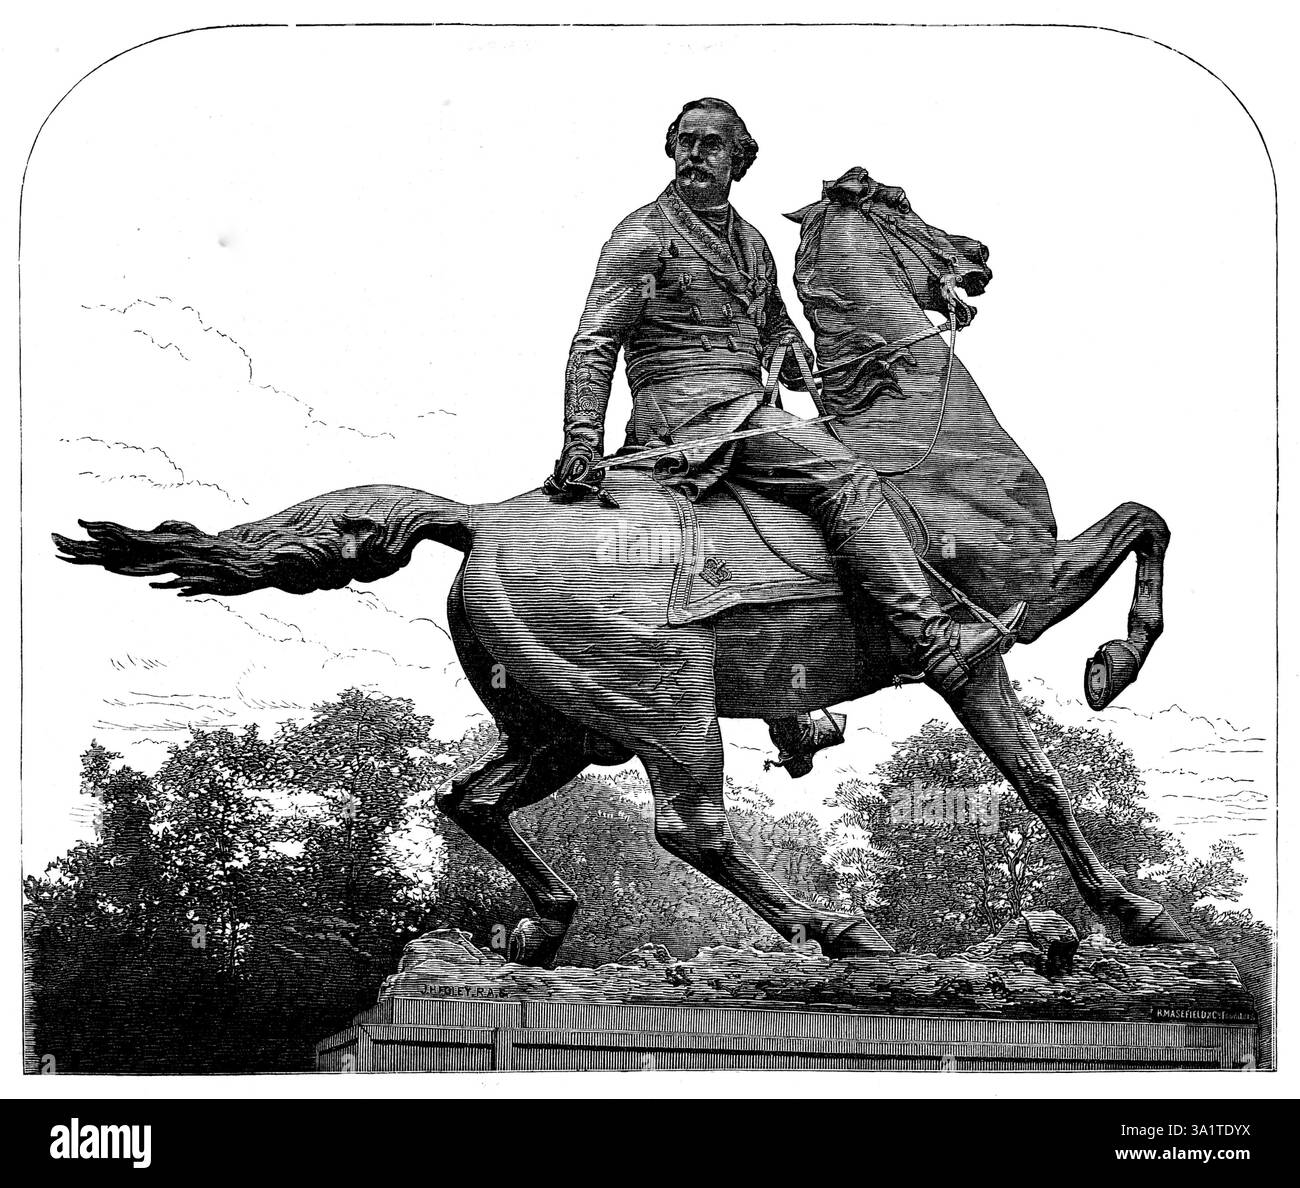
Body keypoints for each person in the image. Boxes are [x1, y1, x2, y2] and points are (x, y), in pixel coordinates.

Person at [546, 98, 1024, 756]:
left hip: (749, 407)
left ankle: (795, 712)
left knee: (795, 525)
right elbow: (595, 342)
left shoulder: (751, 242)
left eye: (712, 145)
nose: (695, 155)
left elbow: (774, 328)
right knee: (848, 480)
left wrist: (794, 354)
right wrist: (580, 441)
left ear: (738, 160)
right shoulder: (643, 235)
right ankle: (933, 641)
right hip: (684, 415)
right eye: (685, 143)